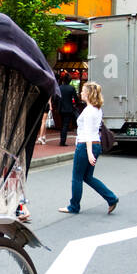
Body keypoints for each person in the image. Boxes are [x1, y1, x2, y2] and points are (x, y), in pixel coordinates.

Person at [58, 81, 119, 215]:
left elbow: (88, 133)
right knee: (88, 177)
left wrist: (89, 152)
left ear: (88, 94)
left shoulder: (89, 111)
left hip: (86, 146)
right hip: (95, 145)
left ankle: (73, 206)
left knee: (77, 177)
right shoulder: (97, 109)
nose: (81, 93)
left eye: (83, 91)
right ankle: (111, 198)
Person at [57, 77, 77, 146]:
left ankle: (62, 140)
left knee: (62, 125)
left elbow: (56, 97)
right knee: (65, 125)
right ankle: (63, 141)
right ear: (70, 81)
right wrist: (75, 104)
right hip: (69, 109)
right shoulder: (71, 88)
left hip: (61, 108)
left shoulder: (59, 87)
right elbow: (75, 98)